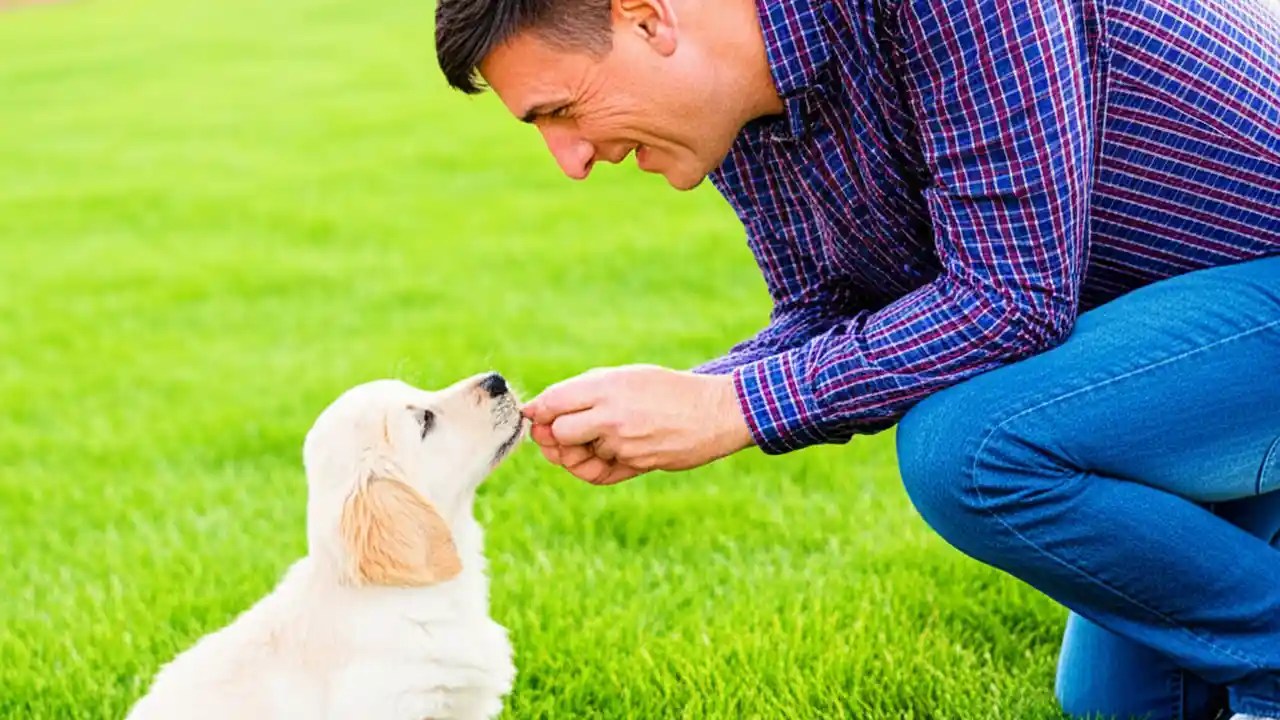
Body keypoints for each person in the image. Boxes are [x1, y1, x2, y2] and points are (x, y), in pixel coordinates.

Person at [433, 0, 1280, 716]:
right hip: (1195, 367)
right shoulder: (743, 112)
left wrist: (733, 410)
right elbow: (823, 308)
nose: (571, 160)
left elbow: (1009, 299)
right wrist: (692, 393)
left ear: (647, 18)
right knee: (1119, 704)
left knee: (973, 451)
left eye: (561, 111)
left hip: (1255, 295)